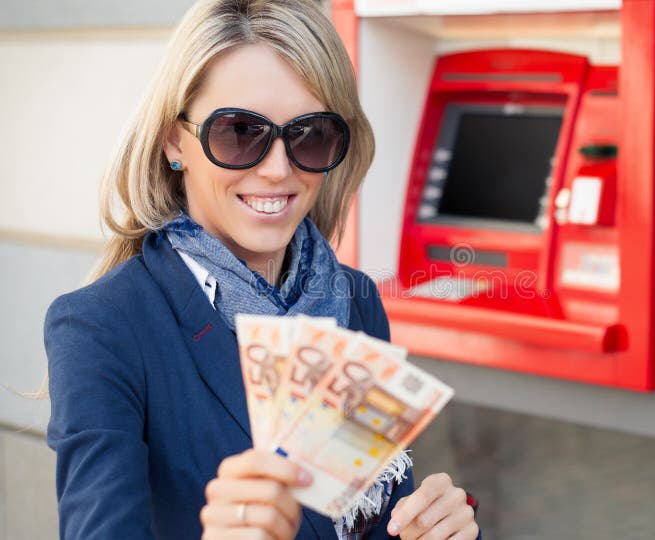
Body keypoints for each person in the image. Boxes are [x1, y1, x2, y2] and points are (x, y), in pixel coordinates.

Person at [44, 1, 480, 539]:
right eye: (239, 132)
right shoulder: (101, 326)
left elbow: (361, 520)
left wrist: (431, 530)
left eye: (310, 134)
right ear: (173, 140)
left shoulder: (352, 299)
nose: (277, 169)